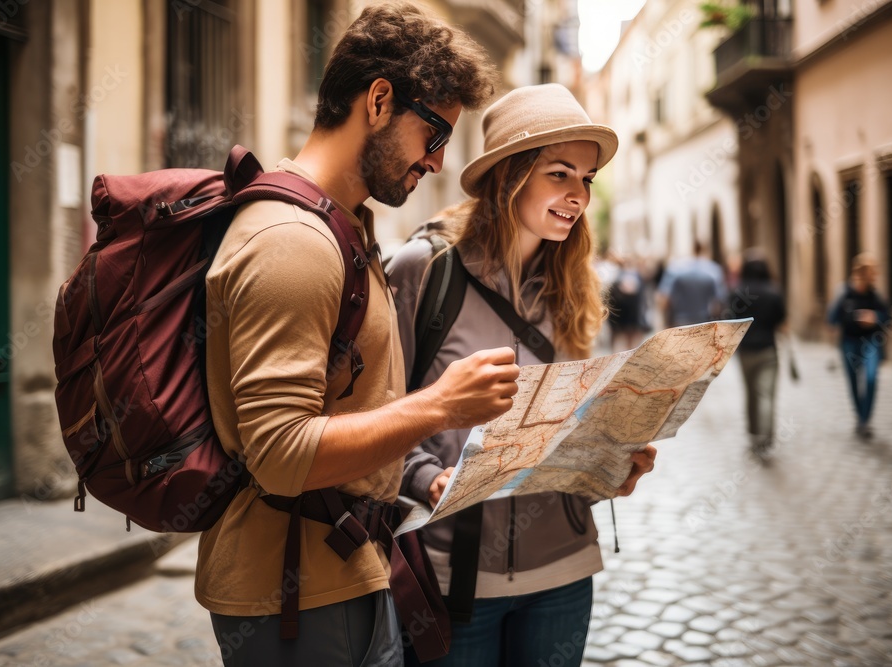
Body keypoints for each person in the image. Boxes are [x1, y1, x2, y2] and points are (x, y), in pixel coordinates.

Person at [195, 5, 511, 665]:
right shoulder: (294, 241)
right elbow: (280, 453)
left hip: (340, 571)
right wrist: (441, 405)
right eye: (433, 131)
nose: (439, 159)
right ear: (378, 100)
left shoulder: (338, 224)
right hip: (297, 598)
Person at [386, 84, 657, 667]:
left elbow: (574, 421)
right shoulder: (423, 270)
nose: (578, 194)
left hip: (563, 569)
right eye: (560, 174)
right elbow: (376, 410)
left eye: (586, 178)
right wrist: (428, 477)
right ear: (510, 176)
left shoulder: (573, 286)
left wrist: (612, 465)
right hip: (451, 572)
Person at [725, 249, 787, 460]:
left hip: (745, 351)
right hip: (768, 350)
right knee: (765, 394)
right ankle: (766, 438)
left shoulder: (737, 291)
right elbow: (781, 320)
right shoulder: (774, 291)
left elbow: (730, 320)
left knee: (750, 392)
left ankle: (753, 432)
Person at [827, 252, 891, 439]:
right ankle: (860, 418)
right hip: (849, 341)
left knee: (871, 378)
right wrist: (853, 317)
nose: (875, 276)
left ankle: (865, 418)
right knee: (853, 380)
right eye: (872, 272)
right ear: (861, 273)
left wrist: (875, 318)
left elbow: (887, 316)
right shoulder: (845, 292)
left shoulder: (875, 294)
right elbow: (832, 318)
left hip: (870, 341)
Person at [657, 239, 728, 328]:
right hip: (704, 322)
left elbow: (664, 299)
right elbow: (719, 302)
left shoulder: (675, 269)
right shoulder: (713, 270)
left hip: (680, 322)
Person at [608, 255, 651, 351]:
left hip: (622, 314)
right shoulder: (637, 276)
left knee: (622, 339)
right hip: (631, 314)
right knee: (631, 340)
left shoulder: (617, 276)